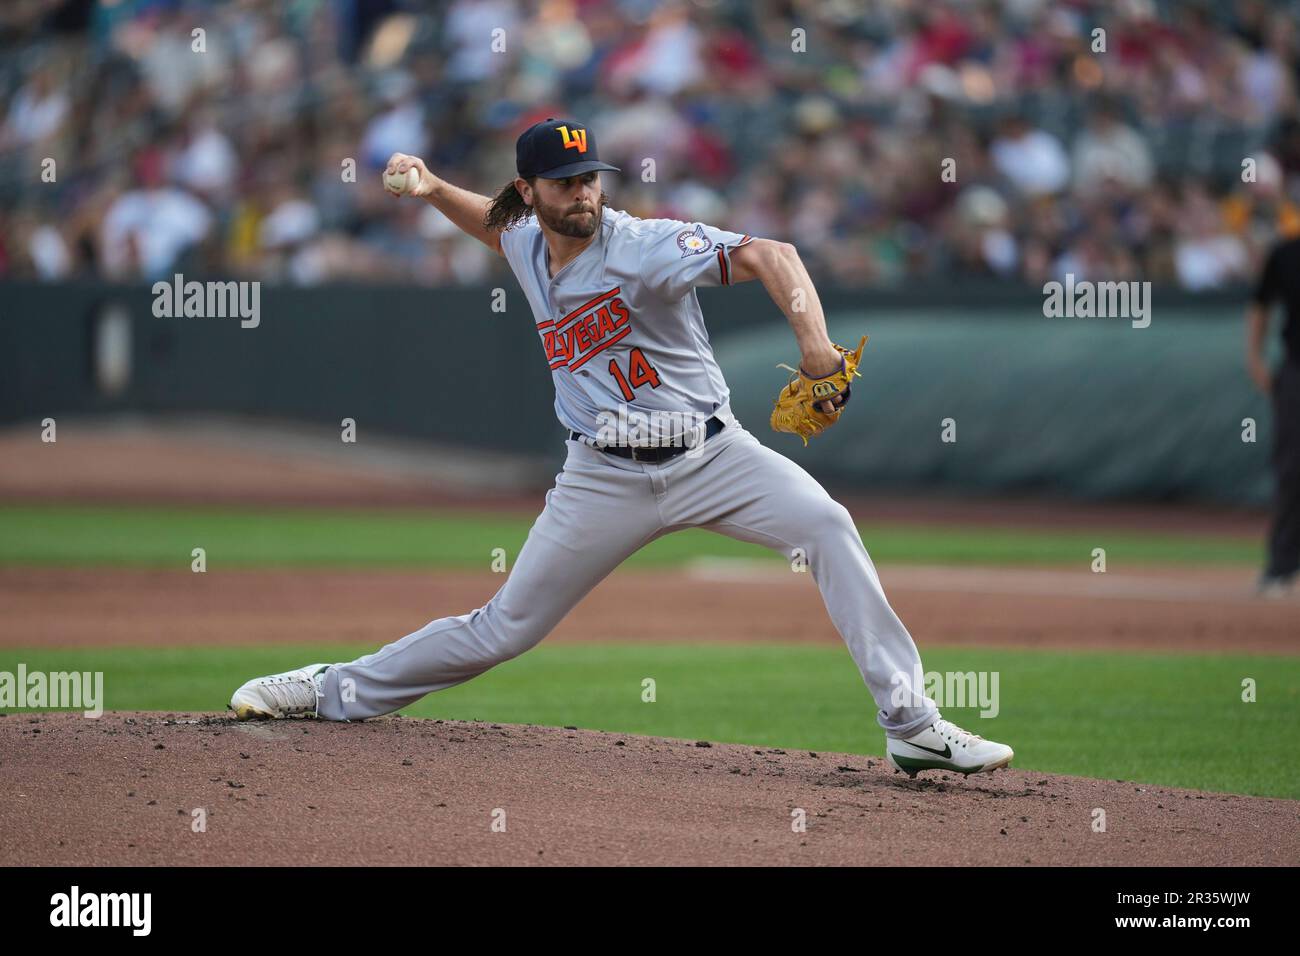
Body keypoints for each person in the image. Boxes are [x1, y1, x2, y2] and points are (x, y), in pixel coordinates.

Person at [228, 118, 1015, 777]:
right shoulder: (529, 244)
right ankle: (331, 689)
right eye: (566, 182)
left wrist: (816, 343)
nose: (584, 194)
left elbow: (774, 254)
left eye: (591, 178)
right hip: (601, 475)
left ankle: (910, 723)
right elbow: (492, 226)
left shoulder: (643, 245)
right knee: (505, 628)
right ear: (531, 191)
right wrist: (433, 188)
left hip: (713, 458)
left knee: (827, 526)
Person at [1247, 232, 1300, 596]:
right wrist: (1254, 356)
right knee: (1293, 466)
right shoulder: (1285, 253)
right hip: (1297, 369)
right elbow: (1260, 305)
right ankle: (1282, 566)